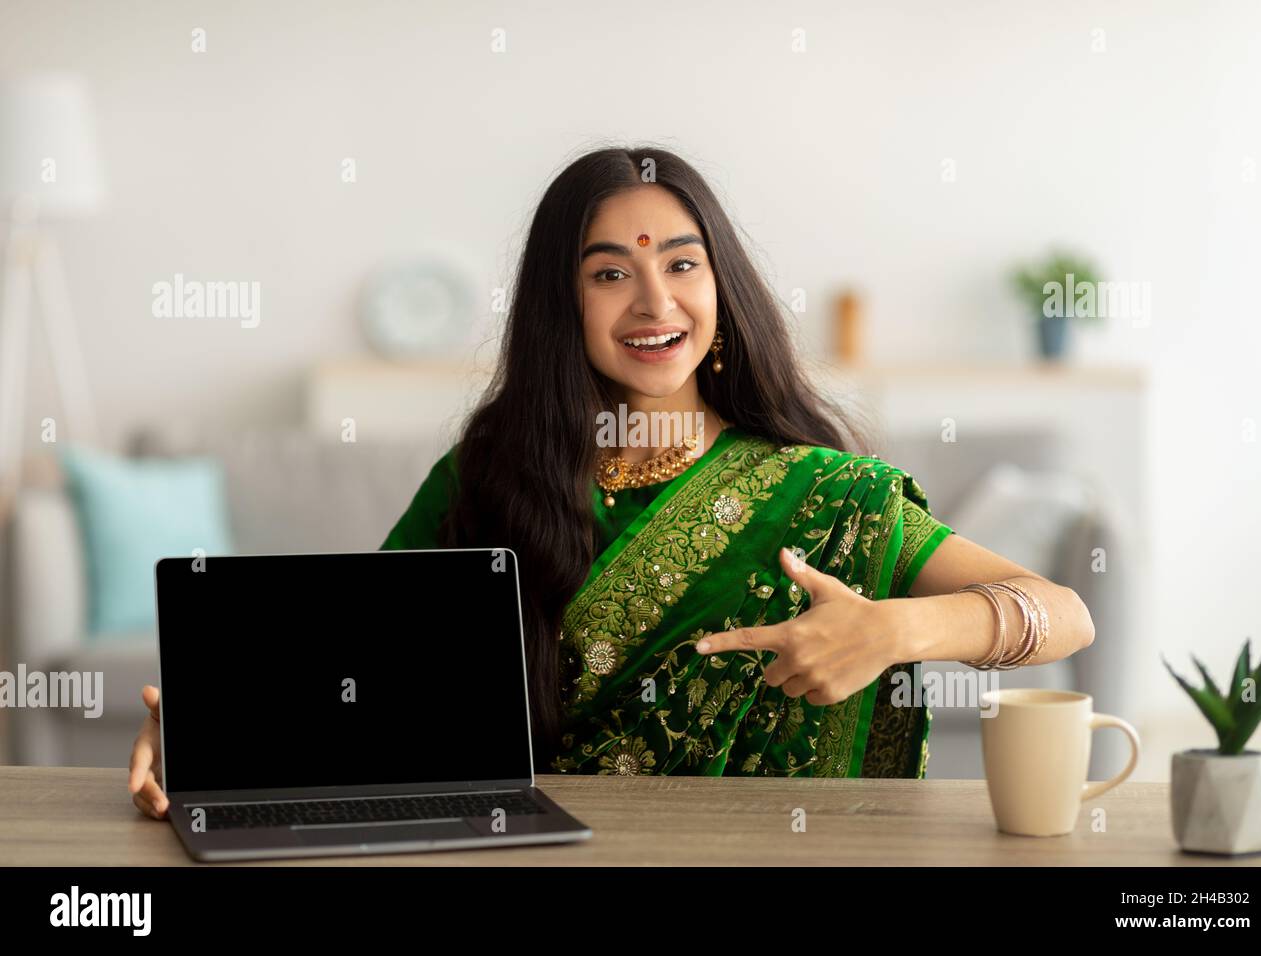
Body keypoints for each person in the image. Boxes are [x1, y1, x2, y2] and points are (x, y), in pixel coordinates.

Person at [129, 146, 1095, 816]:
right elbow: (354, 663)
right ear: (565, 305)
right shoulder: (490, 473)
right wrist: (214, 728)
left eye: (683, 263)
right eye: (607, 275)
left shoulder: (823, 490)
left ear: (723, 288)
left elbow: (1061, 613)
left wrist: (895, 629)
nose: (654, 301)